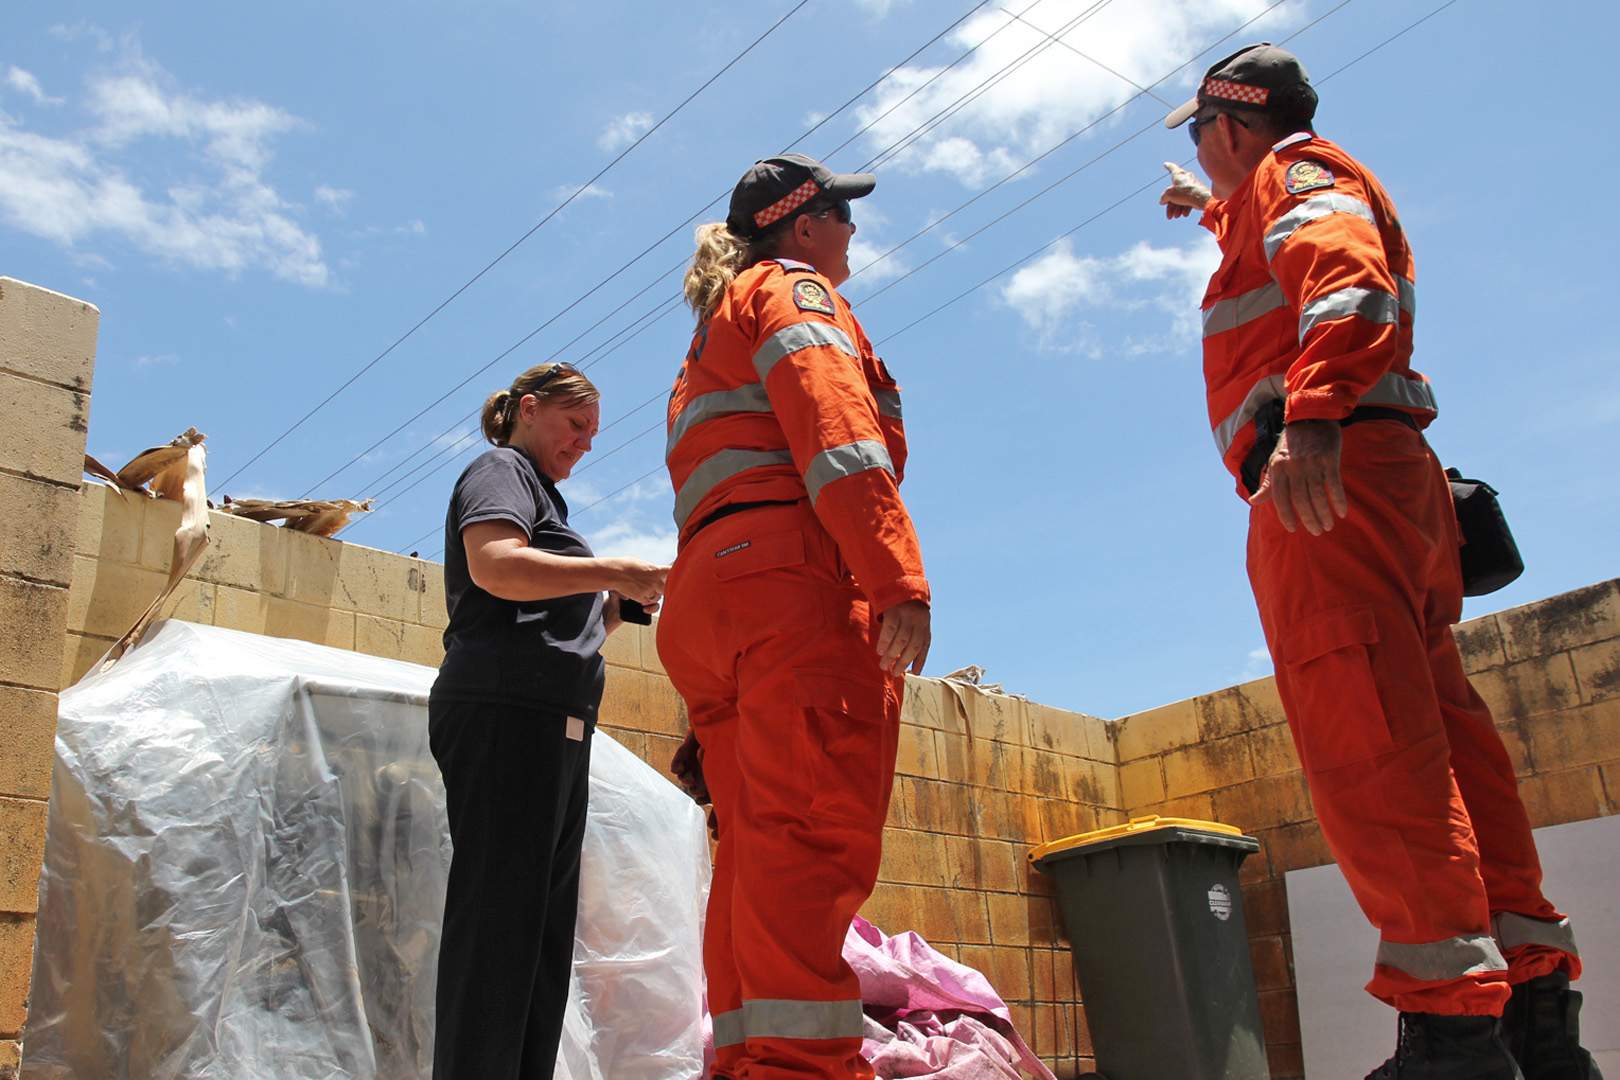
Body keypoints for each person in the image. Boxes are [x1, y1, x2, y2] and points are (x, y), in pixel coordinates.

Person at [1157, 44, 1600, 1080]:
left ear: (1228, 129)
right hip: (1391, 477)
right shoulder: (1284, 181)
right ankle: (1536, 1021)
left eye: (1201, 141)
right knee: (1445, 739)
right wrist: (1208, 205)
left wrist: (1308, 420)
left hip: (1330, 477)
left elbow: (1344, 283)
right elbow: (1294, 251)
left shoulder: (1296, 178)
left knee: (1369, 736)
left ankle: (1454, 1036)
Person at [656, 153, 932, 1079]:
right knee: (808, 839)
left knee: (752, 855)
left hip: (715, 591)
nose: (853, 231)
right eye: (842, 214)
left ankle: (749, 1064)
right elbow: (837, 429)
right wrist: (895, 576)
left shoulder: (705, 341)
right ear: (800, 223)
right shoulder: (790, 288)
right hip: (792, 582)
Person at [426, 361, 668, 1079]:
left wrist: (627, 599)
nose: (584, 444)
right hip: (505, 715)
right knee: (499, 930)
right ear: (529, 409)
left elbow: (569, 624)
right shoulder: (501, 470)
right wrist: (611, 571)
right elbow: (497, 566)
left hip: (553, 722)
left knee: (538, 935)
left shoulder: (549, 506)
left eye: (593, 435)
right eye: (575, 426)